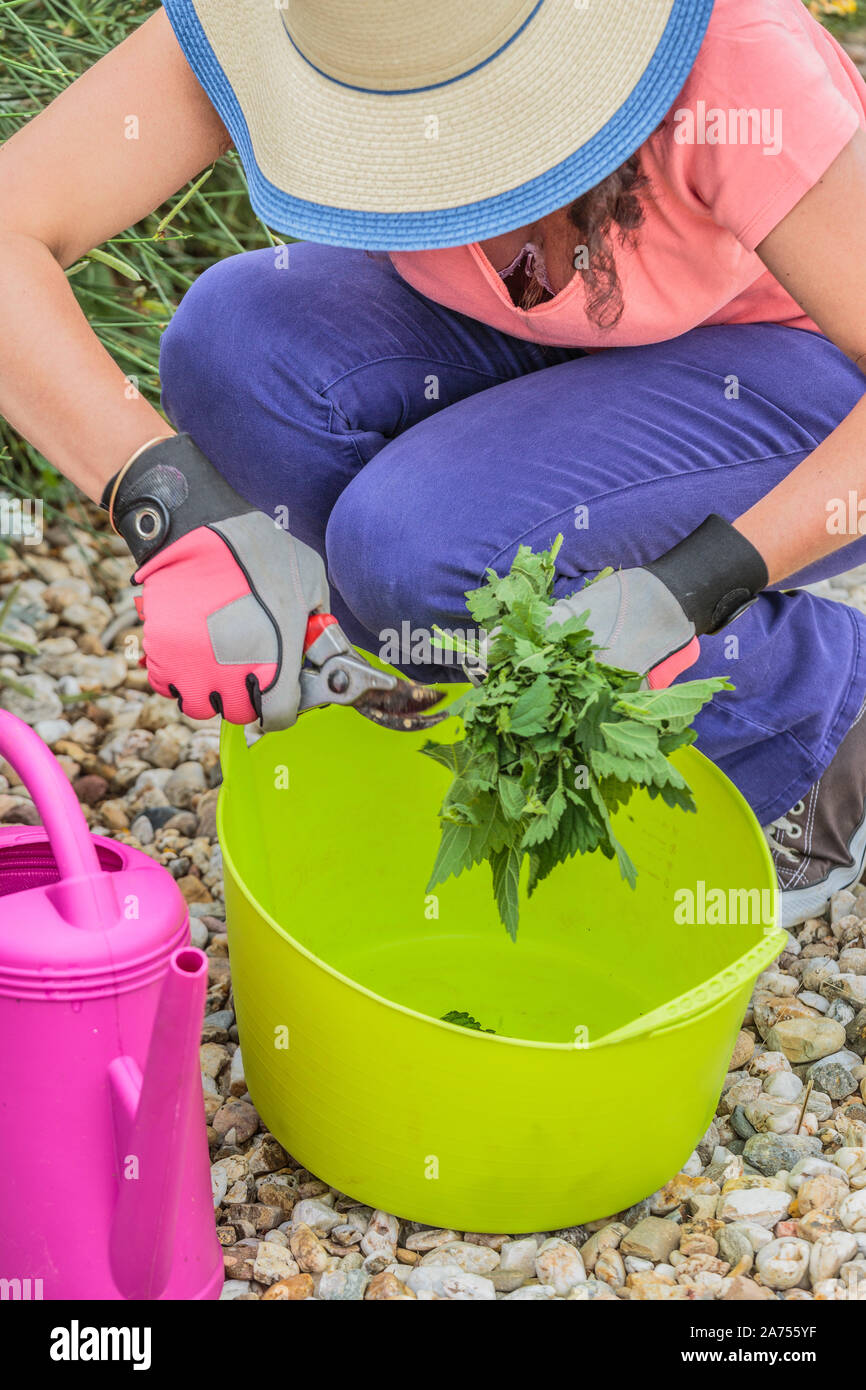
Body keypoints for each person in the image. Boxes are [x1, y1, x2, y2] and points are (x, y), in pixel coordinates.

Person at [2, 0, 866, 928]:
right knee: (236, 345)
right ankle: (435, 717)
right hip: (537, 330)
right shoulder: (302, 16)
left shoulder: (733, 61)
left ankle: (818, 724)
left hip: (791, 367)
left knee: (420, 550)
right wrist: (165, 506)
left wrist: (694, 586)